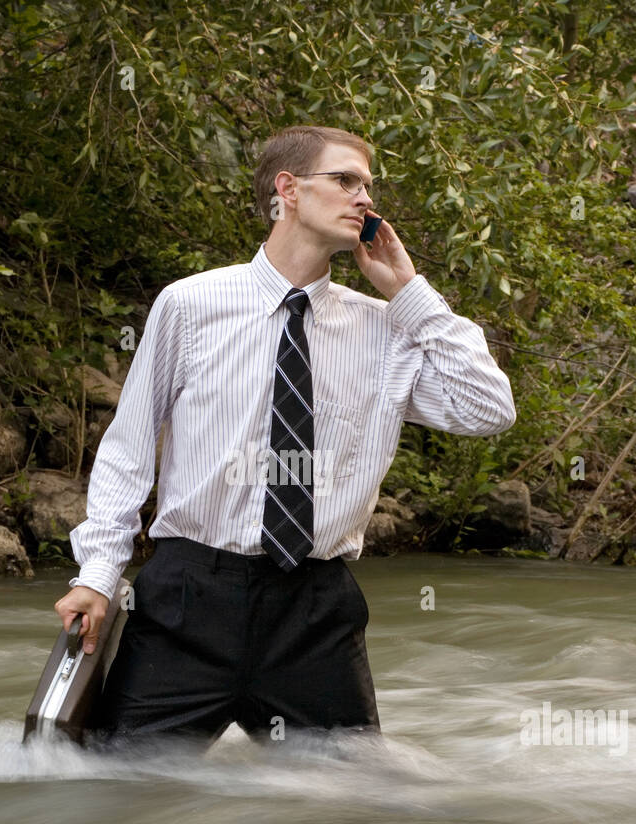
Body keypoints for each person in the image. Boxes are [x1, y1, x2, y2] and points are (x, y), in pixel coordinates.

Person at [53, 124, 516, 751]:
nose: (364, 199)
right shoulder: (190, 305)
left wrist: (411, 295)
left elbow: (488, 409)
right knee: (121, 795)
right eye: (346, 180)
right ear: (288, 189)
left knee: (349, 814)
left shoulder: (385, 330)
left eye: (369, 187)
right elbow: (128, 449)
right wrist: (98, 575)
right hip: (186, 604)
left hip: (314, 615)